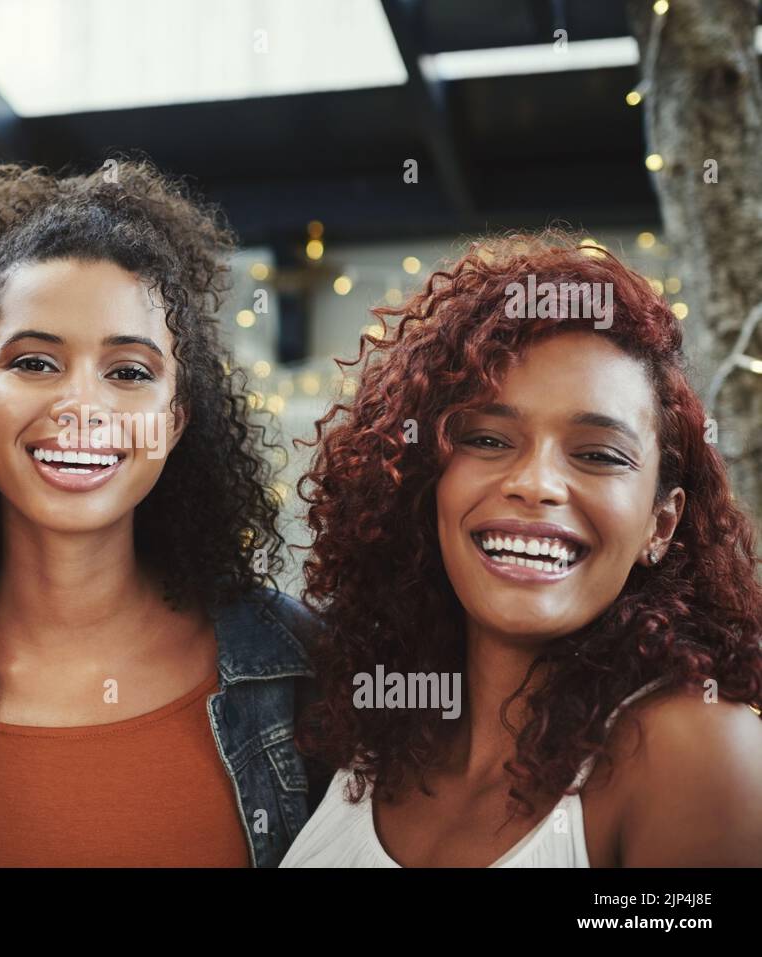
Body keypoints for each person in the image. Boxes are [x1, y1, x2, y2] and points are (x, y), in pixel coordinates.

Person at [0, 159, 326, 867]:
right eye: (35, 362)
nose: (80, 407)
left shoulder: (301, 664)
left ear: (175, 419)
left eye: (129, 371)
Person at [283, 234, 762, 867]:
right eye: (487, 440)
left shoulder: (697, 751)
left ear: (661, 524)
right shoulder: (371, 738)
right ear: (427, 482)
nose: (535, 483)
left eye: (598, 454)